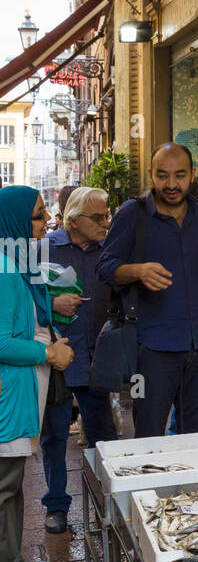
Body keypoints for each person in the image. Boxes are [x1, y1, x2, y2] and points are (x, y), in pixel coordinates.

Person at [97, 142, 198, 437]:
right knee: (149, 435)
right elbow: (104, 267)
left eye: (179, 175)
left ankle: (191, 485)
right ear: (151, 174)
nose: (171, 184)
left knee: (196, 435)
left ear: (192, 175)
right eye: (162, 175)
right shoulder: (133, 213)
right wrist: (137, 271)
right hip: (153, 349)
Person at [0, 186, 73, 562]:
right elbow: (2, 341)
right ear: (12, 222)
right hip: (9, 397)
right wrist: (47, 351)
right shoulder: (5, 270)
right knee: (5, 486)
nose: (46, 222)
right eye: (37, 215)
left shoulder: (15, 262)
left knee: (11, 483)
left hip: (19, 393)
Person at [39, 187, 114, 534]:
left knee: (103, 434)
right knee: (54, 436)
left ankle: (107, 503)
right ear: (73, 220)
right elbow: (20, 297)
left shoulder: (110, 250)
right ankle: (56, 505)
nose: (105, 222)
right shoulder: (43, 248)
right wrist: (52, 306)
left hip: (98, 355)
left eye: (106, 215)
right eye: (97, 217)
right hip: (57, 356)